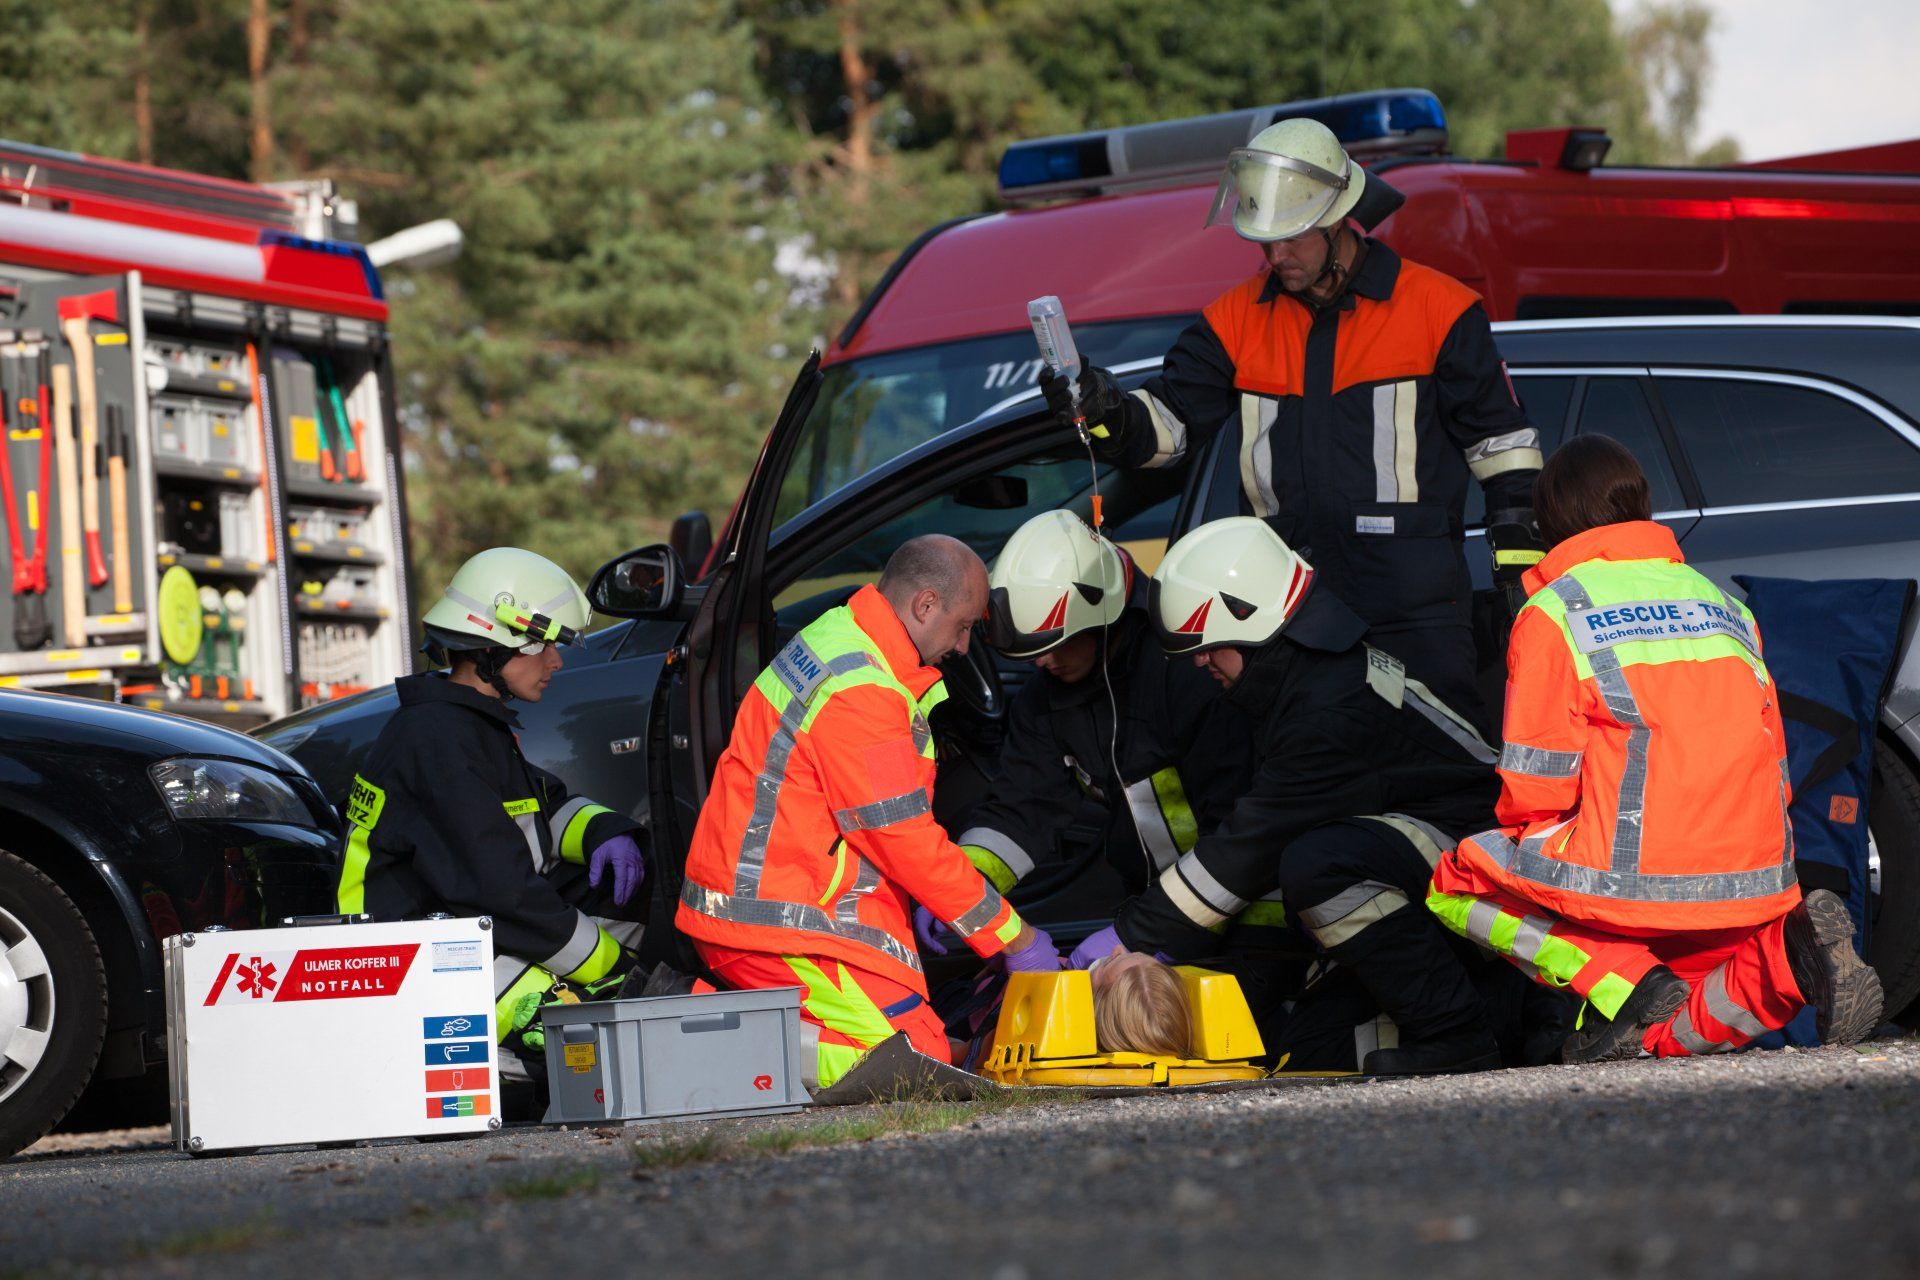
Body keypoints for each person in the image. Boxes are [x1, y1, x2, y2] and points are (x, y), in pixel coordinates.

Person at [1041, 117, 1544, 729]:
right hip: (1285, 613)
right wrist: (1105, 410)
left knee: (1436, 768)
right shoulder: (1234, 322)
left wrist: (1520, 572)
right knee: (1302, 772)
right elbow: (1167, 431)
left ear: (1338, 221)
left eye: (1292, 238)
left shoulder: (1439, 310)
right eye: (1265, 242)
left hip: (1415, 615)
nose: (1276, 256)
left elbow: (1504, 449)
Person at [1428, 435, 1885, 1060]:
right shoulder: (1721, 602)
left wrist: (1550, 861)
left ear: (1549, 522)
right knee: (1665, 1032)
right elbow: (1776, 761)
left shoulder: (1555, 611)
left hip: (1632, 873)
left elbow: (1538, 787)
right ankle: (1789, 959)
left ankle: (1627, 980)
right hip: (1753, 875)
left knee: (1458, 881)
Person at [1068, 516, 1514, 1075]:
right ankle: (1486, 1021)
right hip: (1451, 848)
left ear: (1252, 622)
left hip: (1478, 857)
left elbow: (1249, 846)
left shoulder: (1324, 715)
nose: (1200, 661)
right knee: (1309, 1042)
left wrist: (1133, 932)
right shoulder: (1308, 679)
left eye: (1211, 646)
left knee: (1317, 864)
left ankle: (1458, 1033)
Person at [676, 535, 1063, 1087]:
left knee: (930, 1047)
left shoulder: (842, 638)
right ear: (925, 604)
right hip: (777, 924)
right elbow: (904, 839)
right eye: (962, 626)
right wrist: (1014, 938)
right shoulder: (863, 691)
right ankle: (687, 1030)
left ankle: (711, 1020)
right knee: (913, 1062)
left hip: (769, 906)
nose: (963, 646)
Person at [336, 547, 649, 1071]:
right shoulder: (436, 743)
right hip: (413, 956)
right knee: (583, 1037)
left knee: (650, 896)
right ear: (491, 646)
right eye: (542, 645)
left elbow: (542, 809)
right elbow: (501, 893)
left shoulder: (468, 725)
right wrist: (614, 970)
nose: (555, 661)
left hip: (463, 923)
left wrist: (608, 833)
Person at [913, 510, 1261, 953]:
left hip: (1250, 913)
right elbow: (1022, 808)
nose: (1041, 662)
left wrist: (1154, 929)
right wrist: (965, 887)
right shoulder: (1046, 697)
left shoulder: (1188, 675)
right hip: (1161, 909)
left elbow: (1237, 824)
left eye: (1055, 645)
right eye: (1032, 649)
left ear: (1103, 620)